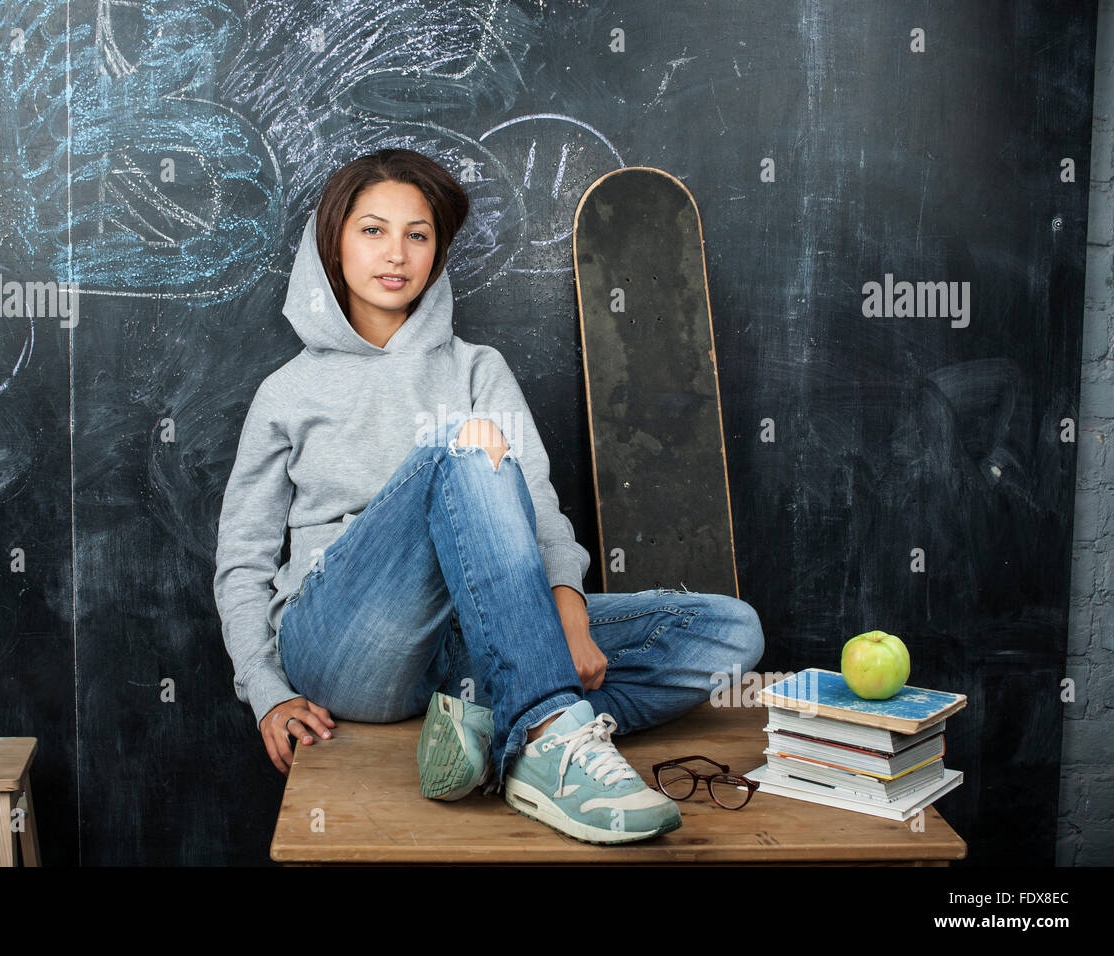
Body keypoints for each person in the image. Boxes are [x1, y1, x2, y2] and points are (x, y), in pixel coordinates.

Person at [213, 148, 765, 845]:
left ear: (437, 251)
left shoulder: (479, 369)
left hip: (470, 647)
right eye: (373, 230)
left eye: (418, 234)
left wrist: (567, 612)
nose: (397, 253)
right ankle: (545, 736)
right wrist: (268, 691)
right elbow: (242, 562)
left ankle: (493, 729)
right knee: (464, 445)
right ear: (333, 241)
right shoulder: (286, 393)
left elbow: (537, 509)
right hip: (345, 650)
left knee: (730, 634)